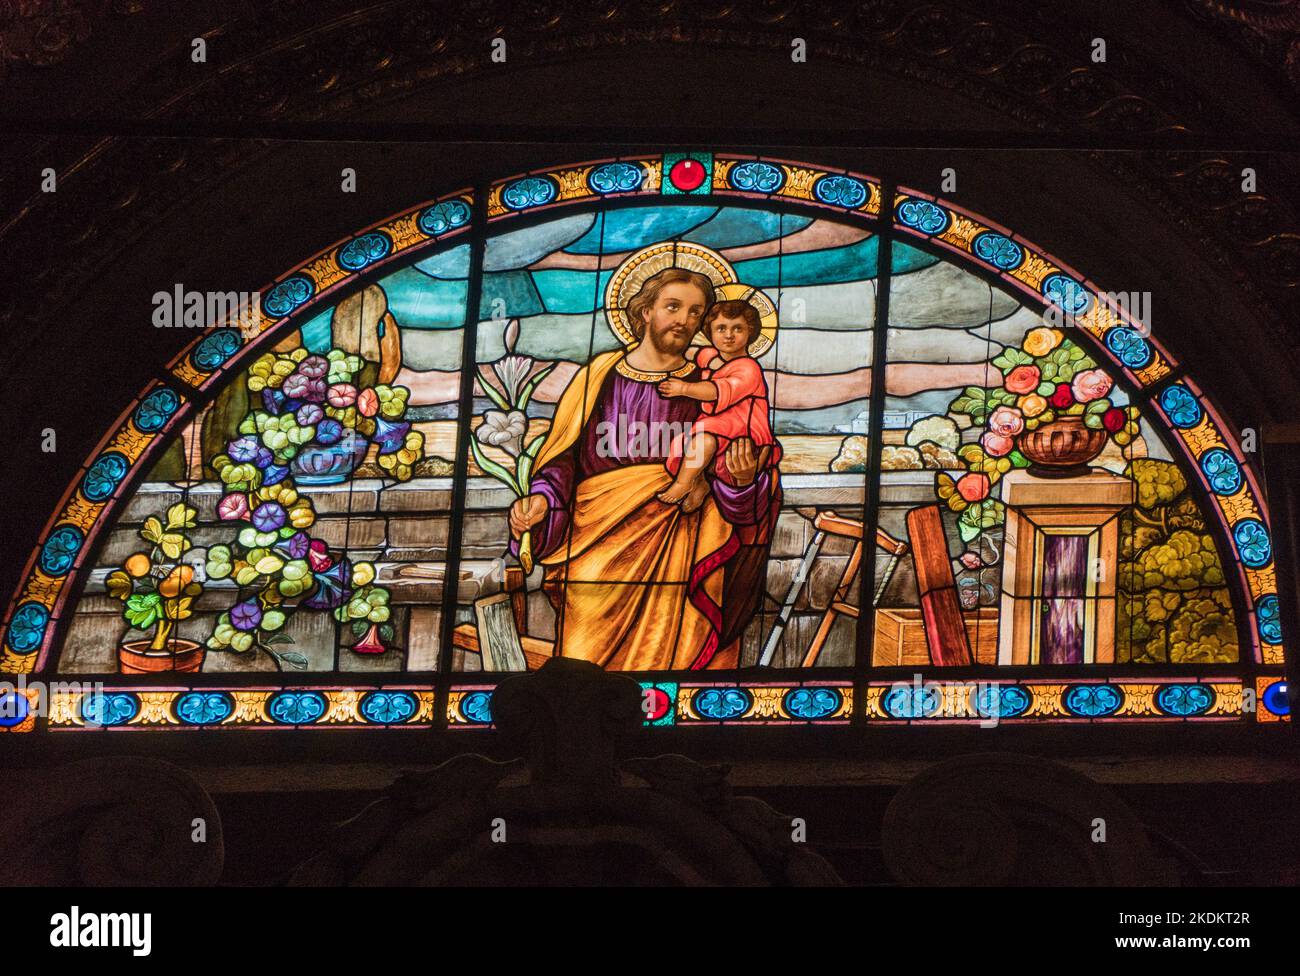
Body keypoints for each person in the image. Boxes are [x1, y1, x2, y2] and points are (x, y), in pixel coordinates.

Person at [508, 265, 781, 670]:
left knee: (686, 665)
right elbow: (562, 463)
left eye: (696, 312)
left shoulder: (713, 386)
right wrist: (543, 503)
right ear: (644, 312)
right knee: (582, 675)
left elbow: (747, 484)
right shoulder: (597, 378)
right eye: (673, 306)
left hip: (686, 551)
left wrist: (741, 484)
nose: (684, 320)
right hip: (595, 548)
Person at [655, 299, 780, 513]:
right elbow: (692, 352)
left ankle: (682, 483)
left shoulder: (749, 368)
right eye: (720, 328)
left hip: (741, 432)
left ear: (750, 332)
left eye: (737, 328)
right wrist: (713, 361)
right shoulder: (712, 356)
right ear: (710, 333)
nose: (728, 335)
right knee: (692, 445)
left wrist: (685, 388)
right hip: (716, 426)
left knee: (704, 441)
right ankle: (700, 483)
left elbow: (717, 391)